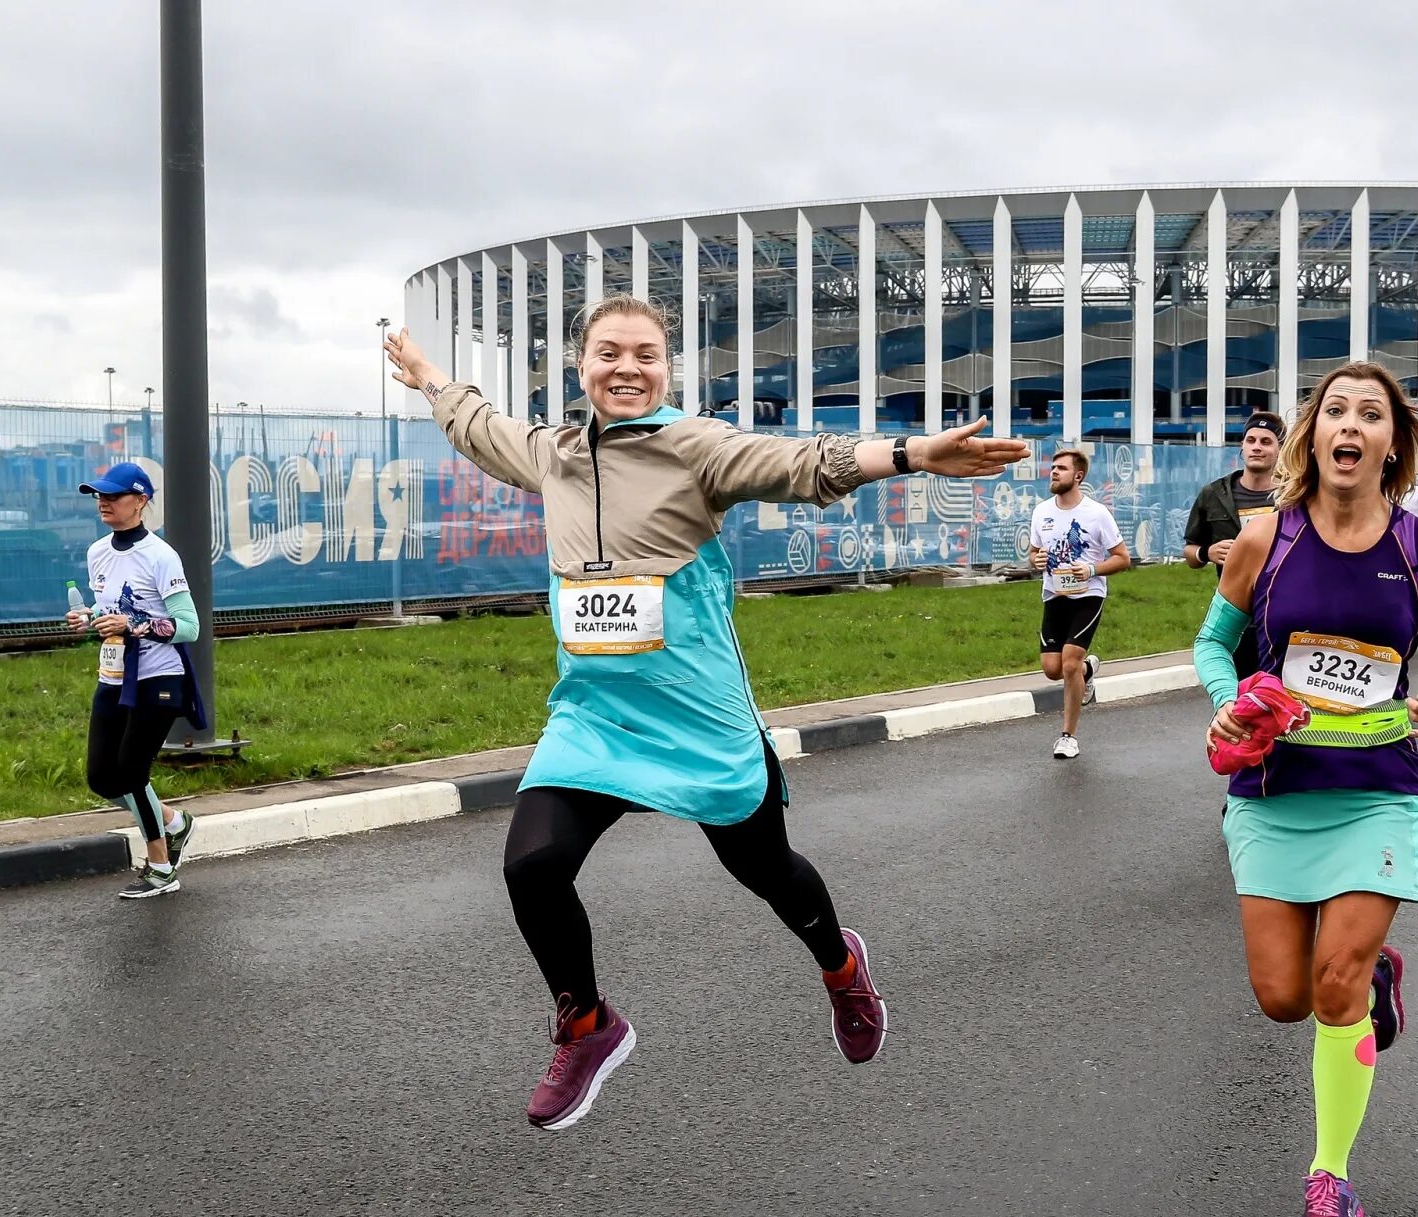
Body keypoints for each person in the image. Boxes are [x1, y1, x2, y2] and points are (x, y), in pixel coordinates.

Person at [384, 296, 1025, 1131]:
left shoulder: (697, 447)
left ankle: (841, 968)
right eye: (609, 352)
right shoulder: (556, 454)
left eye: (645, 355)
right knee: (531, 865)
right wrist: (427, 374)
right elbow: (478, 426)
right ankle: (587, 1024)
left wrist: (909, 454)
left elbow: (800, 462)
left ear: (667, 368)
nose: (626, 368)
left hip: (700, 720)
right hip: (595, 719)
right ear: (581, 364)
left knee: (769, 871)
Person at [1192, 361, 1418, 1217]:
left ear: (1393, 443)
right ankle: (1375, 973)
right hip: (1274, 793)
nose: (1351, 425)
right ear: (1314, 435)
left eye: (1371, 414)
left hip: (1377, 793)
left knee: (1333, 986)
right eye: (1336, 411)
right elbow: (1212, 646)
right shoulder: (1263, 538)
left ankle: (1331, 1178)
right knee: (1284, 998)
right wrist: (1229, 701)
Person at [66, 462, 204, 899]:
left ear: (141, 501)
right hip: (113, 676)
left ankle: (161, 867)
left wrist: (134, 625)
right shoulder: (97, 552)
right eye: (99, 496)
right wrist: (88, 617)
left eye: (114, 496)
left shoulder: (161, 556)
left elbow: (189, 626)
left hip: (158, 678)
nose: (103, 503)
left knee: (130, 772)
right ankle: (175, 822)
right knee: (102, 778)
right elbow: (108, 605)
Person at [1027, 448, 1128, 759]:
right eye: (1053, 467)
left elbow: (1122, 558)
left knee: (1069, 662)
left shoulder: (1096, 513)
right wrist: (1036, 560)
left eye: (1061, 468)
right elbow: (1033, 554)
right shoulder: (1041, 512)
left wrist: (1092, 569)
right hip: (1054, 595)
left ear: (1078, 476)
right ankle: (1087, 670)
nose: (1054, 472)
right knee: (1052, 669)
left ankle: (1067, 737)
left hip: (1088, 595)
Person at [1185, 410, 1283, 678]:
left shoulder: (1293, 497)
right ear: (1242, 446)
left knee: (1279, 696)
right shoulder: (1214, 494)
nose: (1257, 447)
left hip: (1282, 616)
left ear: (1280, 449)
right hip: (1235, 614)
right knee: (1238, 694)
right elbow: (1190, 553)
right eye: (1251, 440)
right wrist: (1207, 553)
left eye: (1266, 442)